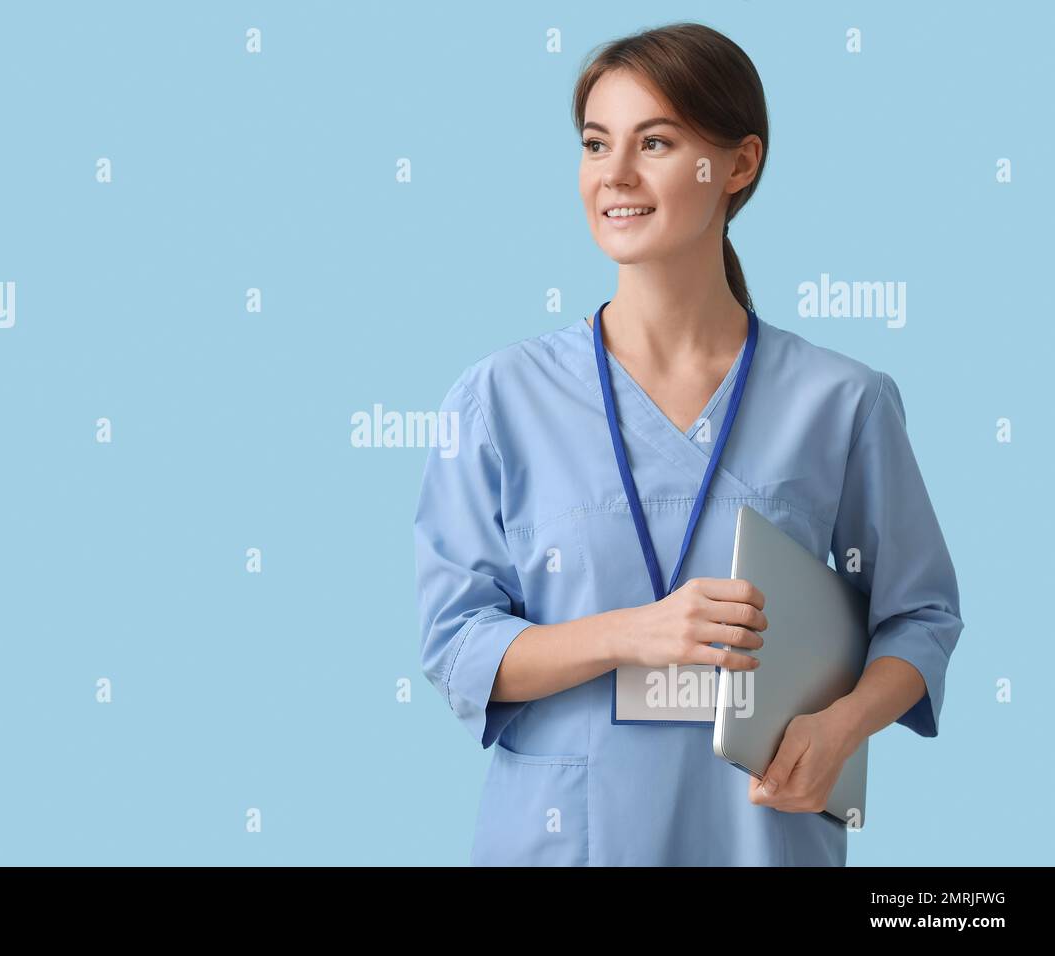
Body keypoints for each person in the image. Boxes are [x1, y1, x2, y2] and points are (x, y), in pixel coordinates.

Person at [411, 22, 963, 866]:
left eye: (655, 141)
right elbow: (455, 647)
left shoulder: (842, 402)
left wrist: (842, 727)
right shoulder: (499, 399)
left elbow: (919, 618)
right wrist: (632, 632)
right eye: (596, 144)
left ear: (738, 165)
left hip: (762, 835)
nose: (615, 176)